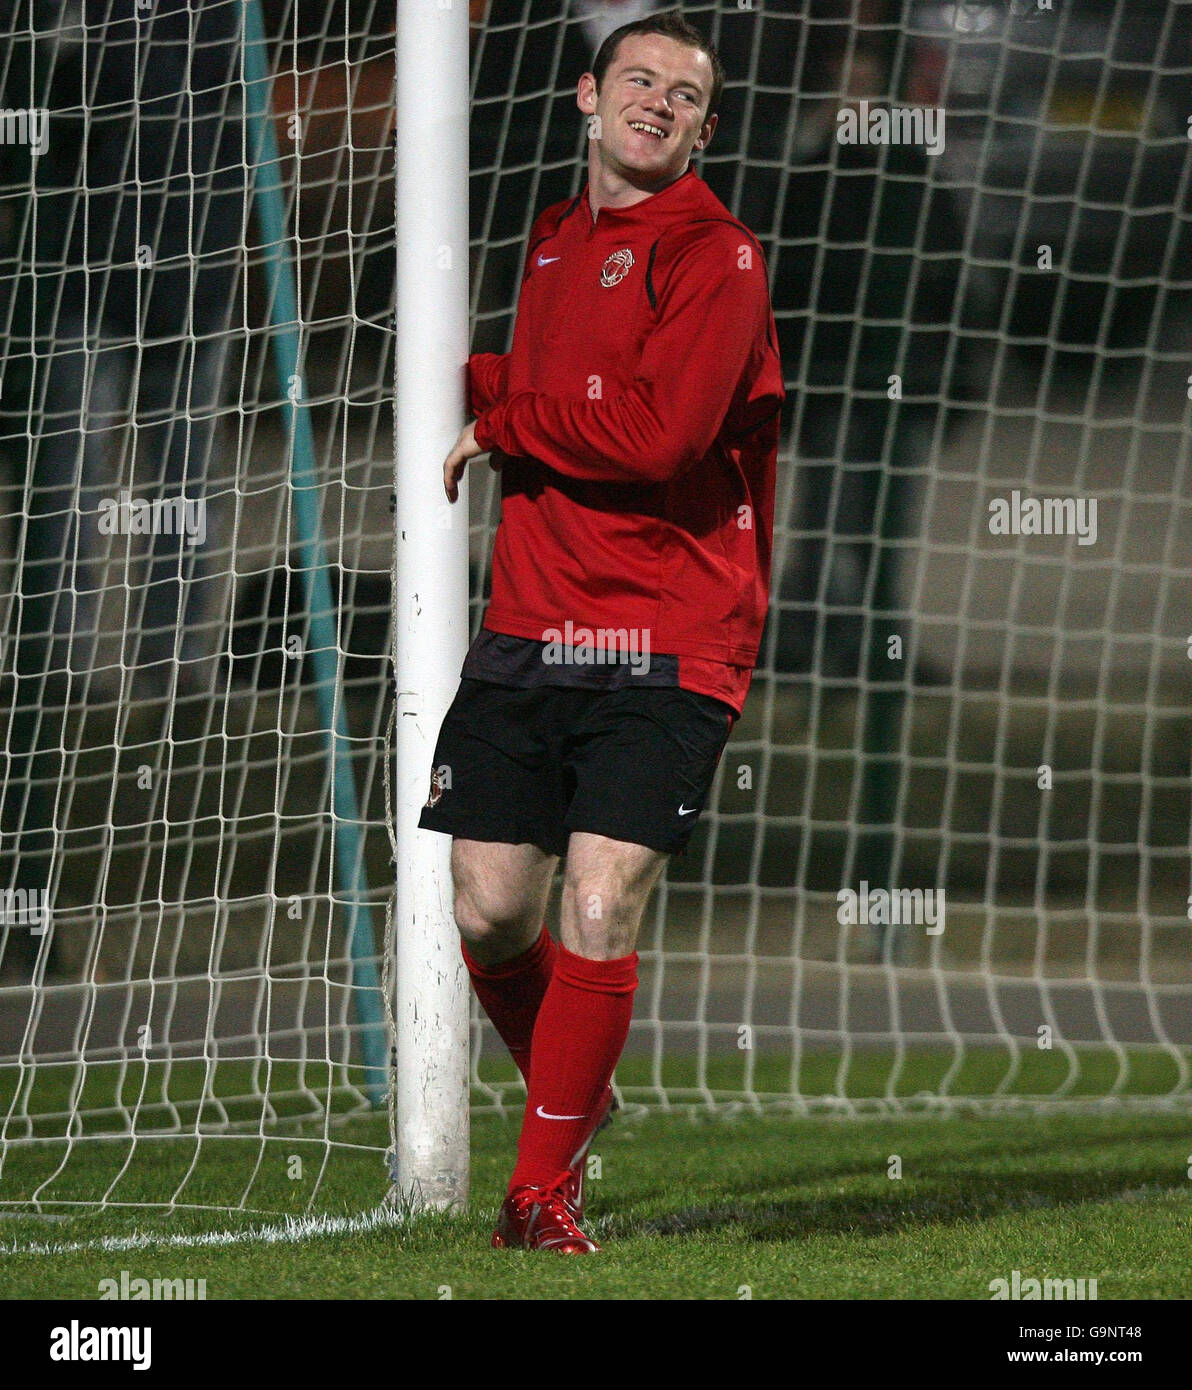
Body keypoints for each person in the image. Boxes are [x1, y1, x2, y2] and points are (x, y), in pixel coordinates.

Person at [425, 11, 785, 1253]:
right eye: (637, 81)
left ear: (704, 125)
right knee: (485, 907)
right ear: (586, 96)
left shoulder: (717, 255)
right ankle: (576, 1089)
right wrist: (477, 395)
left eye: (683, 95)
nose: (657, 104)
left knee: (599, 896)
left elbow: (663, 437)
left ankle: (538, 1193)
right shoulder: (548, 243)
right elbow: (553, 387)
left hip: (671, 630)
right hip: (533, 619)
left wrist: (506, 421)